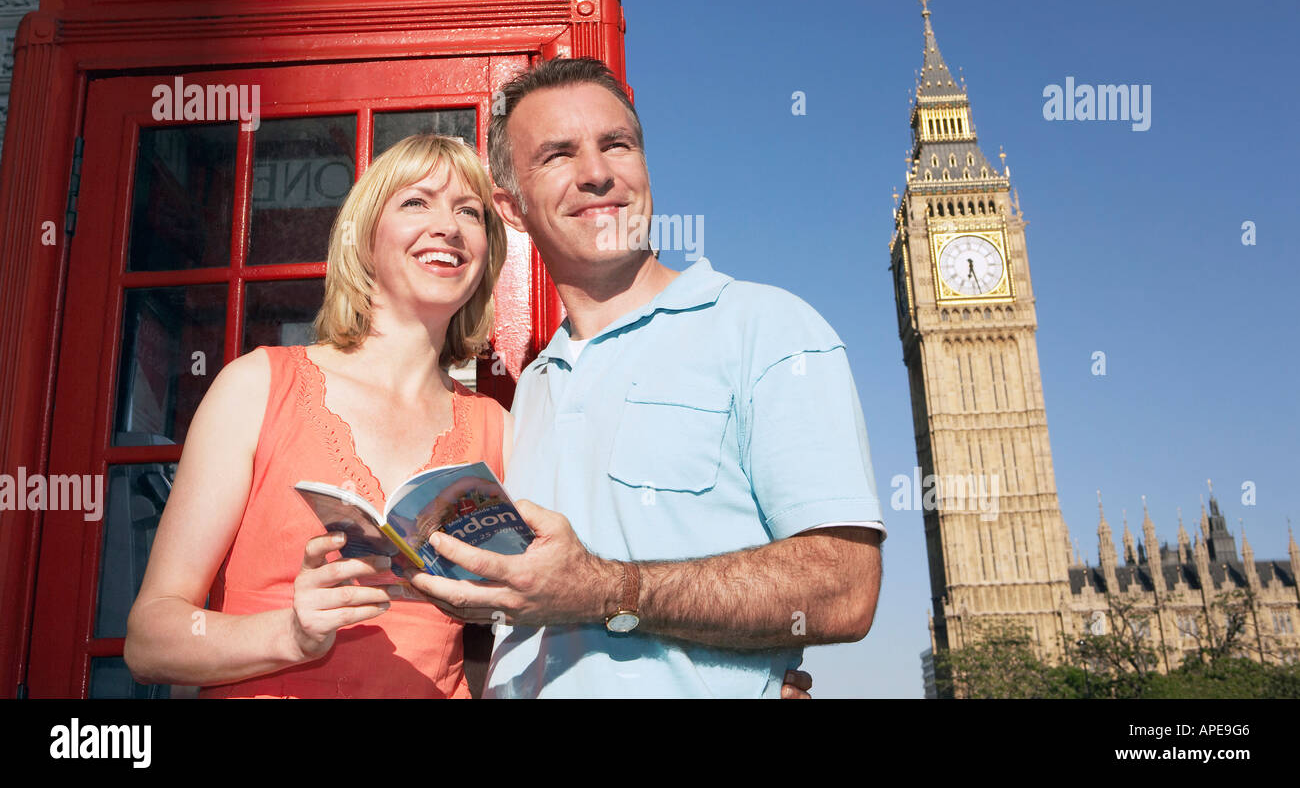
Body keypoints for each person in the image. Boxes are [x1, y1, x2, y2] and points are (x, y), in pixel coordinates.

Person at [408, 57, 886, 697]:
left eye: (617, 145)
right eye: (558, 155)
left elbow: (846, 586)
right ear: (511, 208)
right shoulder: (529, 390)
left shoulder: (766, 329)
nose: (597, 174)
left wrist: (605, 589)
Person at [124, 133, 510, 698]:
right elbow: (148, 641)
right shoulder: (257, 386)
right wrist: (291, 634)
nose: (447, 226)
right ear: (364, 238)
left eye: (468, 211)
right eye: (415, 202)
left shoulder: (499, 427)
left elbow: (500, 643)